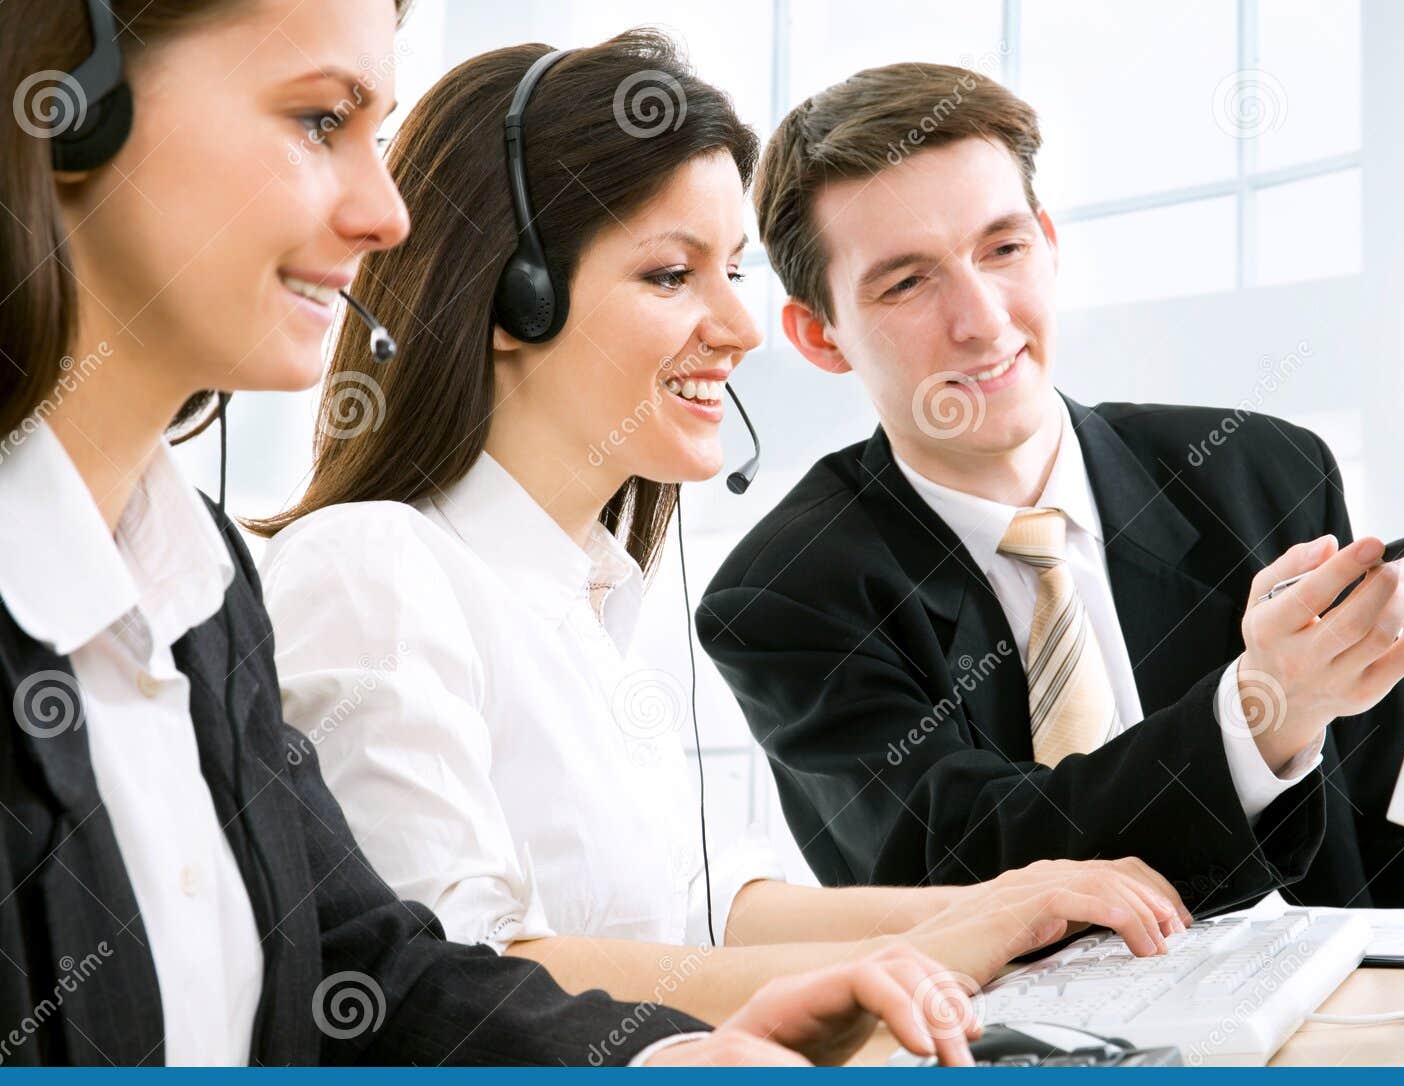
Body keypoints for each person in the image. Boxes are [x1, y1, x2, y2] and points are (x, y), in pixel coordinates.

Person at [0, 0, 994, 1068]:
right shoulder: (365, 567)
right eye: (318, 120)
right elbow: (455, 958)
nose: (384, 215)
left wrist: (668, 1063)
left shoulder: (206, 593)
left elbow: (387, 972)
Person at [251, 33, 1189, 1028]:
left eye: (732, 269)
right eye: (671, 274)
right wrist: (911, 955)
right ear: (515, 295)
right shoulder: (374, 570)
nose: (739, 327)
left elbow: (701, 907)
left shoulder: (585, 595)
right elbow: (461, 979)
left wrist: (1008, 905)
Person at [696, 62, 1404, 915]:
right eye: (908, 282)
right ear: (819, 336)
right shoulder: (785, 596)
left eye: (1004, 248)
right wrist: (1256, 717)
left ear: (1049, 244)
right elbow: (960, 870)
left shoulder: (1265, 473)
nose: (983, 319)